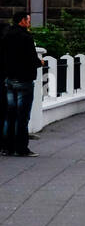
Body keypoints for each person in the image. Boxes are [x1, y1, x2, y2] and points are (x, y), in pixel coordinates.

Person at [2, 12, 41, 157]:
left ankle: (7, 147)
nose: (29, 23)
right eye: (28, 20)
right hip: (24, 80)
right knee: (22, 116)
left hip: (10, 79)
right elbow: (31, 58)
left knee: (9, 115)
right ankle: (21, 148)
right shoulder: (26, 37)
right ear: (22, 21)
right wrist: (40, 62)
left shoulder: (6, 35)